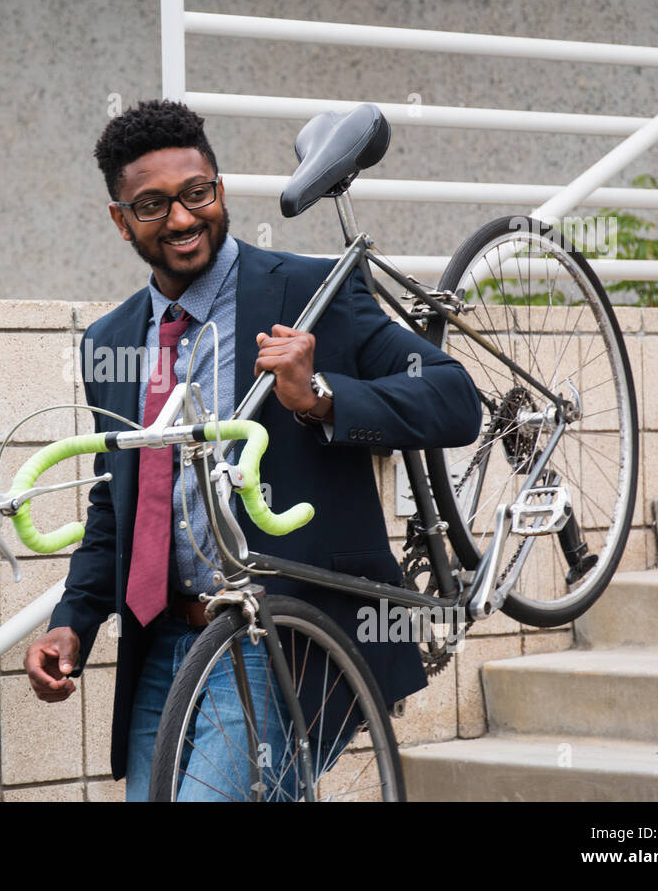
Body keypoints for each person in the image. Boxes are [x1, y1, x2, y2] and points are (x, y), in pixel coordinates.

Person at [24, 99, 483, 801]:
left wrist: (321, 396)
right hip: (166, 646)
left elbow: (454, 398)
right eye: (152, 206)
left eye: (196, 193)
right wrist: (73, 623)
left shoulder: (307, 291)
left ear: (219, 188)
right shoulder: (110, 342)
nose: (181, 219)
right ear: (121, 221)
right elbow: (118, 501)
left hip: (283, 637)